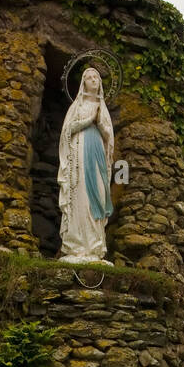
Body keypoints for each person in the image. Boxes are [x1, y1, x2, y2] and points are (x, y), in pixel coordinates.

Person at [57, 65, 114, 262]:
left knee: (97, 192)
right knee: (79, 193)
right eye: (89, 77)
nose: (93, 80)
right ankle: (77, 244)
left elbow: (109, 138)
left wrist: (99, 123)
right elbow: (67, 131)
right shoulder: (77, 106)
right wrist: (88, 120)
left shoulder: (102, 108)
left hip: (97, 153)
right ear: (83, 83)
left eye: (96, 77)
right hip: (79, 153)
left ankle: (95, 246)